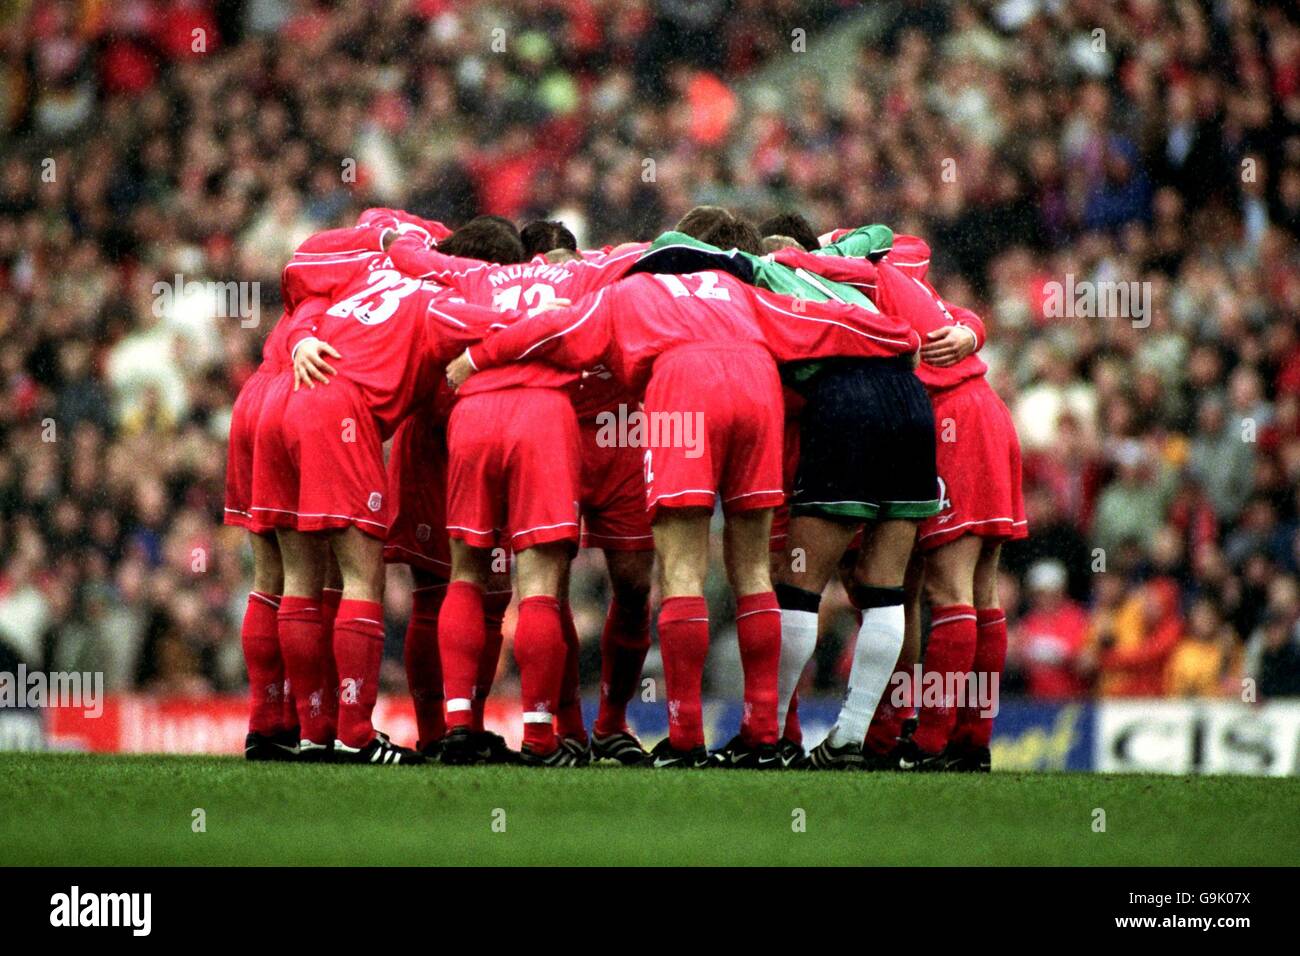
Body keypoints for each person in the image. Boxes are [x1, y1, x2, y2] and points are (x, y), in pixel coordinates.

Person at [448, 251, 921, 767]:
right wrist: (897, 337)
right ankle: (764, 734)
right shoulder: (733, 289)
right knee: (754, 570)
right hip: (756, 385)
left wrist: (476, 359)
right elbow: (818, 319)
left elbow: (552, 328)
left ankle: (686, 736)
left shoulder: (634, 292)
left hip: (684, 386)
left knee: (682, 569)